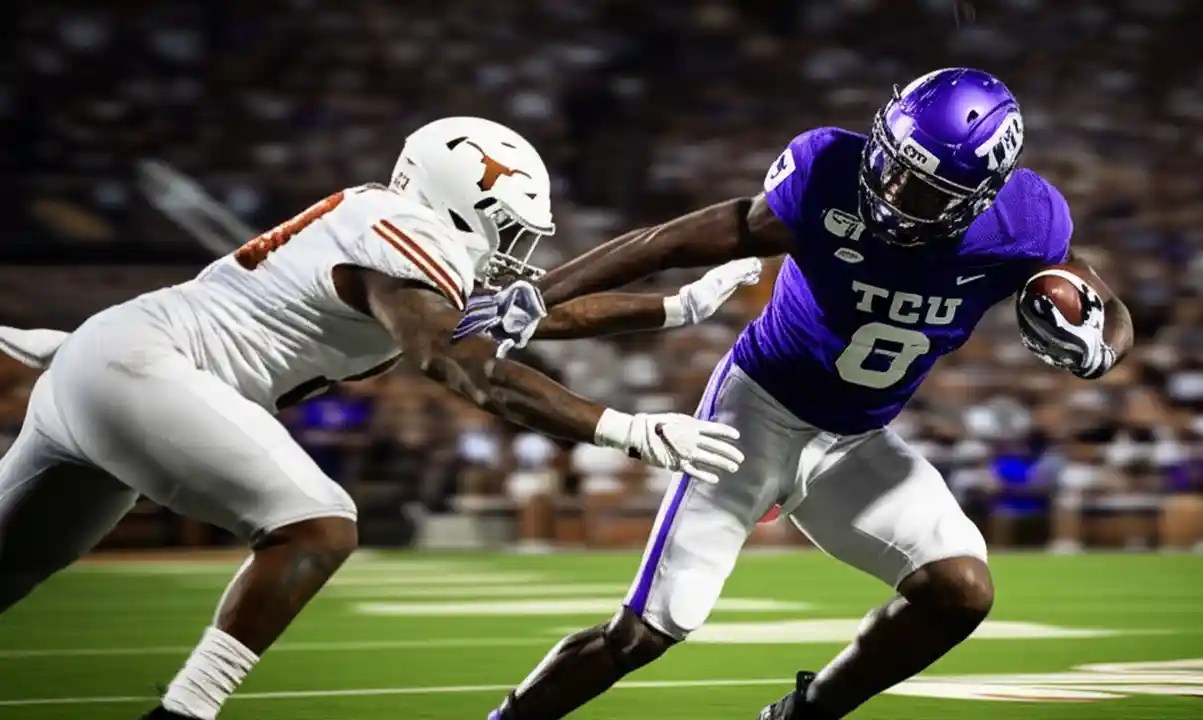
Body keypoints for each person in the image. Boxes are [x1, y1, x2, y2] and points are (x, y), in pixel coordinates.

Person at [0, 116, 750, 720]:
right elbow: (460, 363)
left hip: (107, 366)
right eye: (510, 230)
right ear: (460, 205)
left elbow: (521, 317)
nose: (518, 254)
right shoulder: (404, 233)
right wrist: (629, 430)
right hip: (138, 369)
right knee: (318, 524)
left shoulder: (388, 231)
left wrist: (673, 307)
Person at [462, 68, 1135, 719]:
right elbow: (670, 242)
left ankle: (801, 715)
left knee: (960, 590)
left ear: (980, 196)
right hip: (754, 414)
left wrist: (1100, 348)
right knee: (647, 630)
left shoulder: (1025, 224)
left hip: (856, 440)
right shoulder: (827, 175)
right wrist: (545, 290)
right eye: (892, 162)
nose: (892, 189)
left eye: (923, 188)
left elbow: (1105, 307)